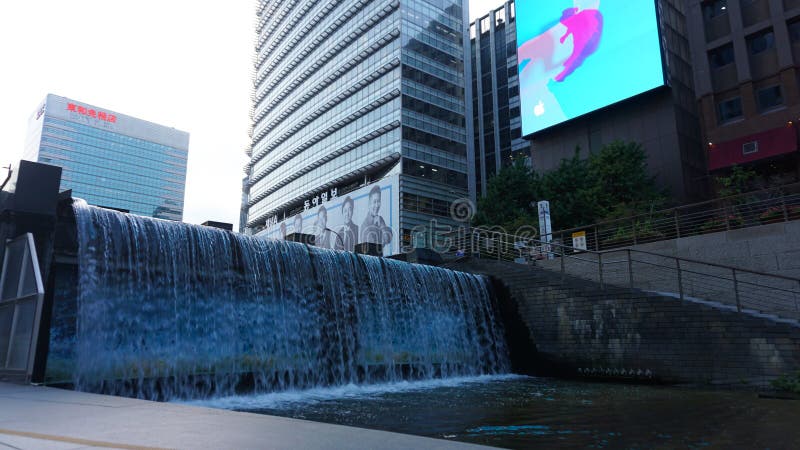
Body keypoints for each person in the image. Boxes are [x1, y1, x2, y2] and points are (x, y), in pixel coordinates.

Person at [360, 185, 392, 251]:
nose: (377, 205)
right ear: (369, 204)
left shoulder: (380, 220)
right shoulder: (365, 226)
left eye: (379, 201)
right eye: (374, 202)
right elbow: (374, 248)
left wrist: (381, 226)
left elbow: (388, 239)